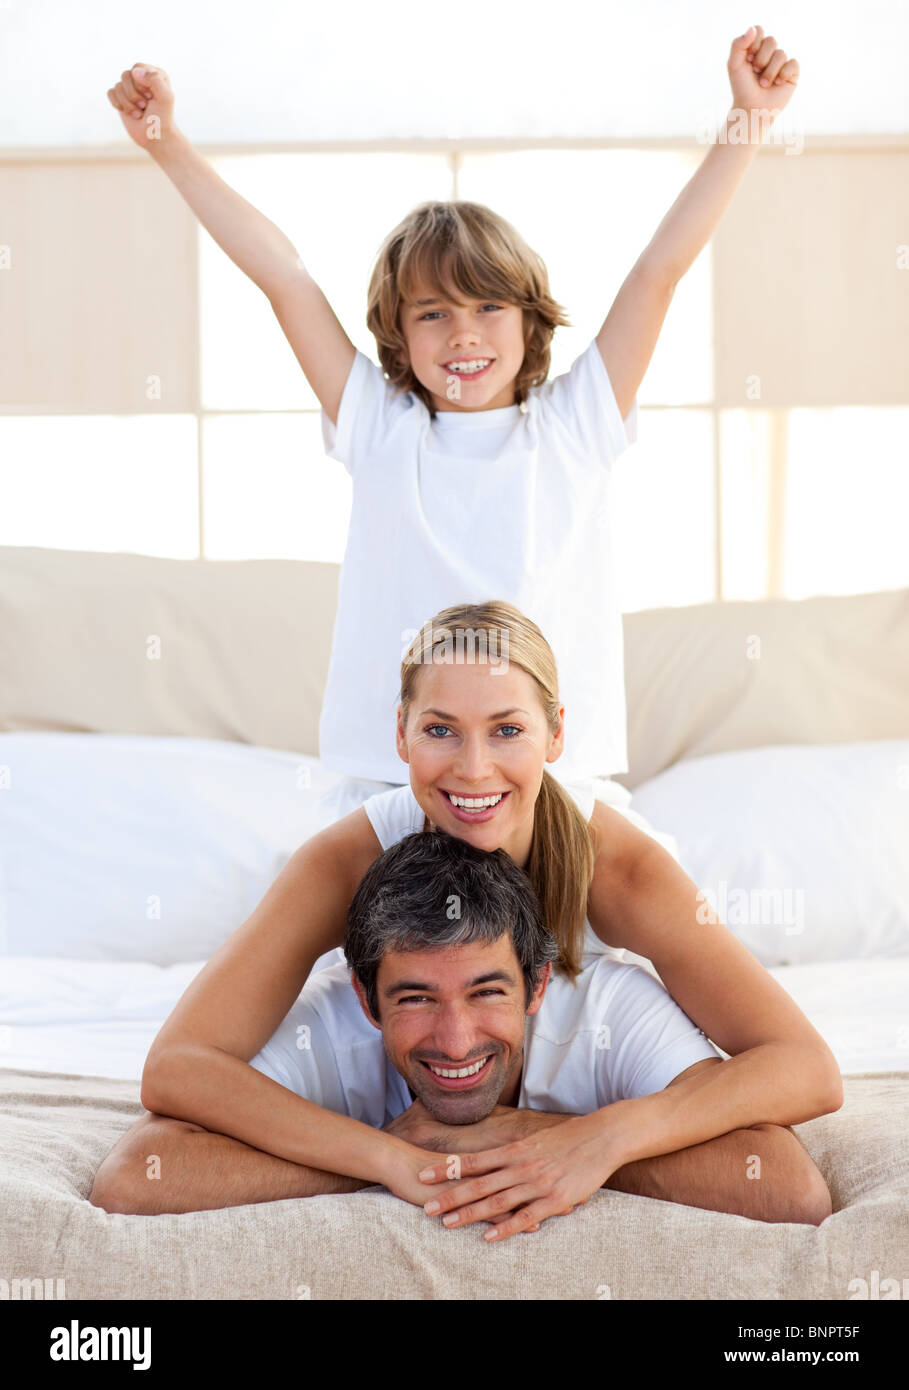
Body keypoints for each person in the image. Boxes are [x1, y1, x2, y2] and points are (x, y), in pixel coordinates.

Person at [89, 601, 840, 1236]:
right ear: (400, 736)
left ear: (555, 735)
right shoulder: (341, 865)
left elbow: (800, 1065)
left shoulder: (621, 871)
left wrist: (596, 1136)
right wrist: (386, 1156)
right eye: (440, 729)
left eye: (507, 730)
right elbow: (182, 1065)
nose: (473, 769)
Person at [91, 828, 832, 1231]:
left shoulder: (610, 1010)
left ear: (539, 983)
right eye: (414, 998)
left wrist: (543, 1140)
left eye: (486, 992)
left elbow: (786, 1188)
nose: (454, 1041)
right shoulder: (328, 1022)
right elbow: (137, 1177)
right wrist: (389, 1155)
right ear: (365, 997)